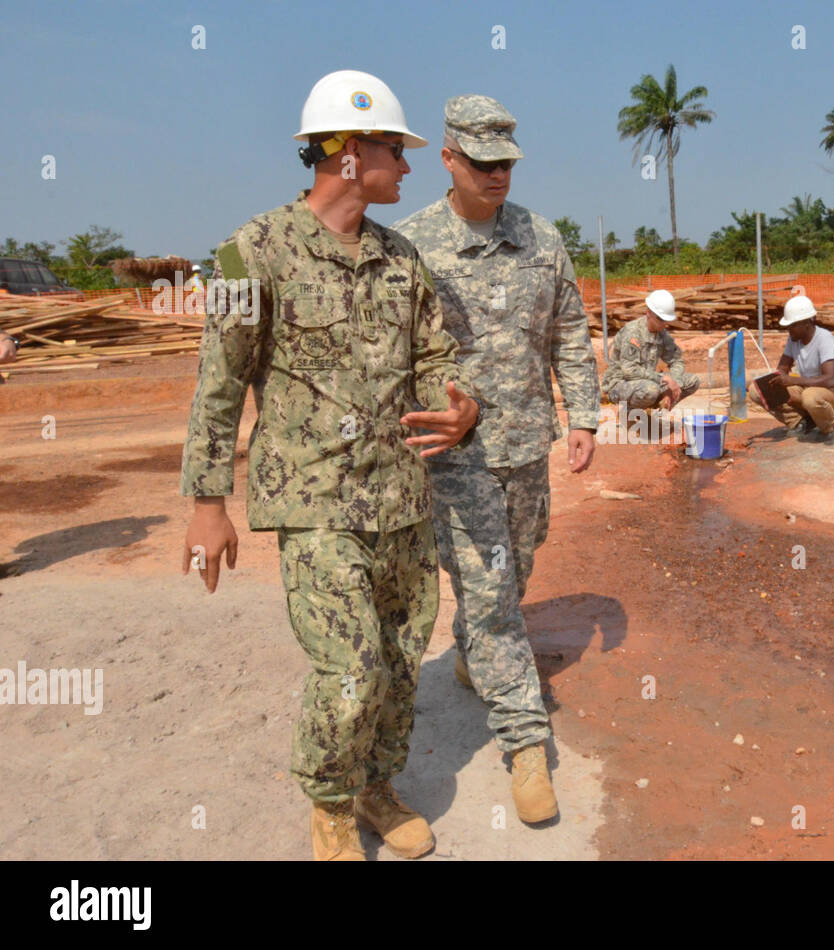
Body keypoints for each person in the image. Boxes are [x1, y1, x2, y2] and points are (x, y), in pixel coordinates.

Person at [179, 70, 479, 861]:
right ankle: (331, 804)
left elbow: (435, 358)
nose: (408, 168)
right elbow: (220, 384)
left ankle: (378, 786)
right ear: (348, 152)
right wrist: (208, 502)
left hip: (402, 499)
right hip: (315, 503)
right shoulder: (250, 253)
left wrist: (463, 410)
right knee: (350, 666)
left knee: (401, 659)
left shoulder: (403, 259)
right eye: (395, 148)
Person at [394, 95, 600, 825]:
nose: (497, 175)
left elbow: (570, 333)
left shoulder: (542, 240)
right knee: (491, 597)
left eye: (506, 162)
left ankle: (470, 650)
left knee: (518, 563)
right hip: (455, 456)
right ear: (449, 159)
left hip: (527, 446)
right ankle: (525, 746)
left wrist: (583, 417)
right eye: (482, 163)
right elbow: (393, 352)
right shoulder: (410, 244)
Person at [748, 294, 834, 439]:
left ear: (807, 323)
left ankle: (833, 422)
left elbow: (830, 380)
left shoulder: (825, 339)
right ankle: (800, 421)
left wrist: (792, 381)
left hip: (833, 393)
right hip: (807, 388)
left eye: (793, 325)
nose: (789, 329)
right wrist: (777, 381)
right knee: (757, 390)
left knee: (810, 397)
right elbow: (782, 368)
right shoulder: (794, 339)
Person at [601, 289, 700, 410]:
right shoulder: (633, 333)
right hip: (620, 384)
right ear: (648, 313)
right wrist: (662, 378)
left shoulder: (662, 334)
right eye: (660, 319)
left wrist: (671, 386)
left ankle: (657, 406)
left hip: (647, 383)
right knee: (651, 389)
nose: (664, 323)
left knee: (692, 381)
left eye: (666, 320)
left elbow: (676, 361)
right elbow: (629, 370)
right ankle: (627, 413)